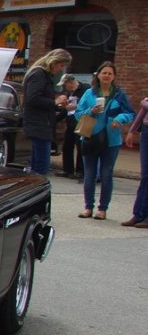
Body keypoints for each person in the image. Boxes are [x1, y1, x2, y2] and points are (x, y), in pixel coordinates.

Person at [73, 61, 134, 220]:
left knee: (106, 174)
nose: (107, 76)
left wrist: (119, 119)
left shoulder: (119, 94)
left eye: (110, 73)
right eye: (104, 73)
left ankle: (102, 209)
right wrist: (91, 111)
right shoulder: (89, 93)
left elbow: (129, 113)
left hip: (111, 140)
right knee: (89, 175)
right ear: (98, 75)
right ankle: (88, 207)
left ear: (114, 77)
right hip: (90, 137)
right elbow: (78, 114)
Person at [22, 48, 71, 175]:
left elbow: (41, 101)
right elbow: (32, 99)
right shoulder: (39, 74)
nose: (61, 69)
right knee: (41, 167)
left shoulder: (43, 75)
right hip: (39, 126)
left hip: (42, 125)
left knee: (37, 165)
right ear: (53, 62)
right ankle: (36, 191)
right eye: (61, 65)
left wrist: (59, 106)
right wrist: (55, 101)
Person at [120, 95, 148, 228]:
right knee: (145, 176)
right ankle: (138, 215)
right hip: (146, 133)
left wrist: (145, 103)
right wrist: (131, 131)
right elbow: (143, 111)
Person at [57, 73, 89, 178]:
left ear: (71, 82)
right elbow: (66, 109)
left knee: (80, 147)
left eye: (65, 84)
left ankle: (80, 171)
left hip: (81, 122)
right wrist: (55, 119)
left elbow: (88, 103)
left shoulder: (85, 89)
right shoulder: (68, 93)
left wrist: (76, 106)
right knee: (67, 146)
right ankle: (67, 169)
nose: (63, 87)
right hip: (71, 123)